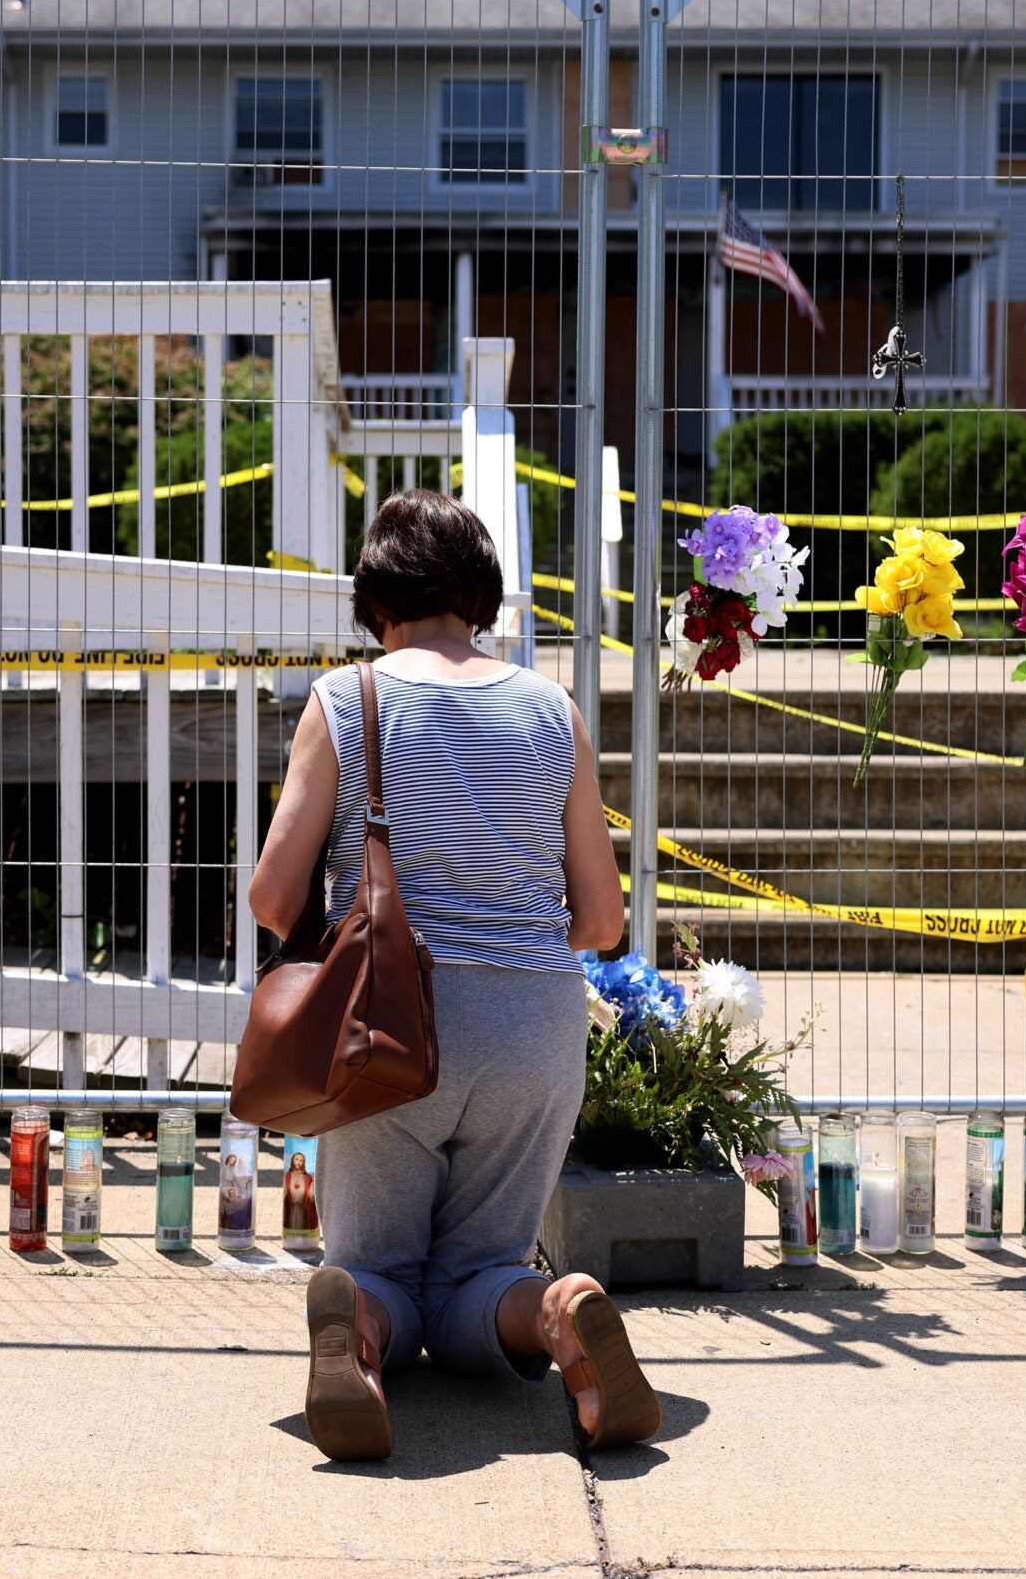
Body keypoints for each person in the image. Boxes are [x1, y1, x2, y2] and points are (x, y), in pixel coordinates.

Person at [251, 489, 650, 1464]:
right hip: (533, 1026)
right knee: (483, 1264)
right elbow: (602, 921)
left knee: (375, 1260)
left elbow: (271, 893)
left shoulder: (349, 699)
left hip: (391, 1023)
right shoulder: (551, 708)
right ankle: (560, 1310)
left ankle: (359, 1321)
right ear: (480, 590)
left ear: (374, 593)